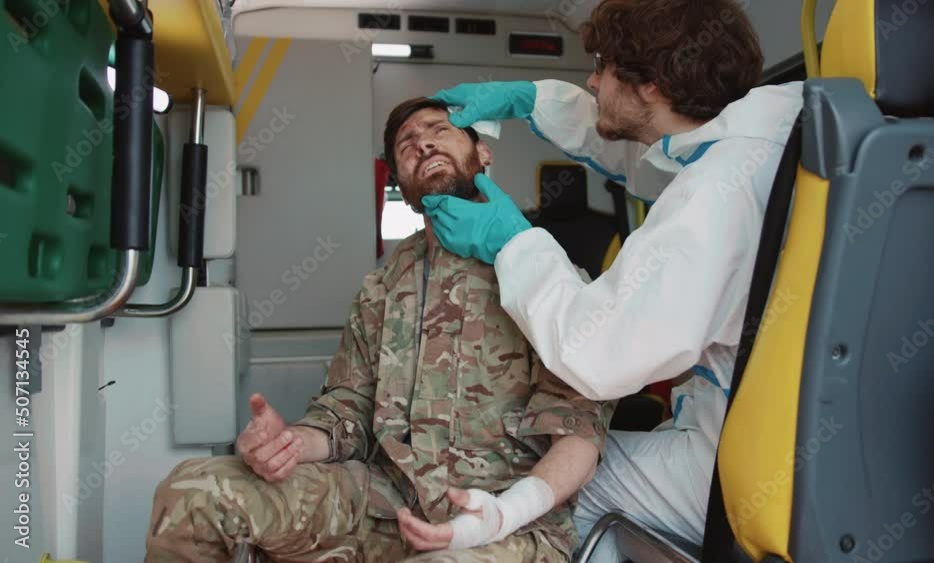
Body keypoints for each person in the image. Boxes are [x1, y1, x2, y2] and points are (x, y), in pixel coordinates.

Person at [144, 98, 615, 563]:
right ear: (399, 181)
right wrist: (292, 443)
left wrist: (506, 512)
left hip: (503, 522)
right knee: (195, 490)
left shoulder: (545, 272)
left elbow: (578, 431)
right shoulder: (383, 286)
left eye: (439, 129)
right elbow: (348, 406)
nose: (423, 143)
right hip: (385, 504)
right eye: (406, 144)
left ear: (483, 152)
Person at [421, 0, 804, 558]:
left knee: (549, 481)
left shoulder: (715, 195)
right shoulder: (762, 136)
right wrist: (532, 102)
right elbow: (650, 159)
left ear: (650, 84)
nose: (593, 81)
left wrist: (511, 239)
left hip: (748, 464)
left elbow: (592, 352)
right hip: (770, 433)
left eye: (602, 67)